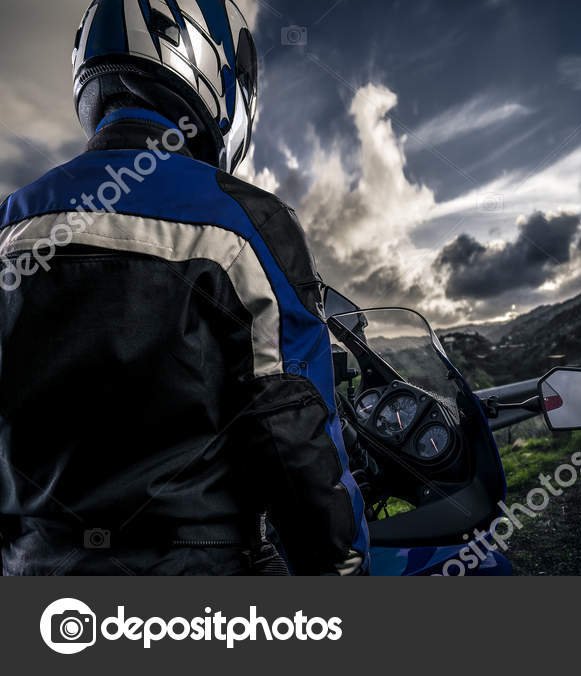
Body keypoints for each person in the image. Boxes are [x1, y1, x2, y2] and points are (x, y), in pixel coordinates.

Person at [0, 0, 367, 575]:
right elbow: (294, 433)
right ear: (210, 66)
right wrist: (343, 574)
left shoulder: (9, 224)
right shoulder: (244, 221)